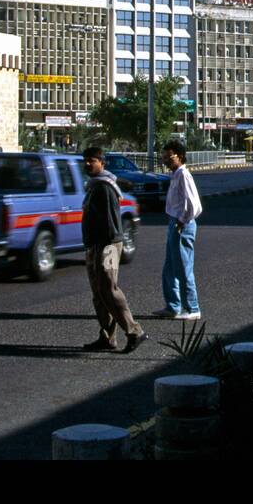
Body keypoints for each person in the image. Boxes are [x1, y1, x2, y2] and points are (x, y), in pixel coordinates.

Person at [81, 147, 146, 352]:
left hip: (107, 245)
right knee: (98, 293)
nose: (88, 164)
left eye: (92, 160)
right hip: (95, 245)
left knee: (108, 289)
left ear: (102, 163)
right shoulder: (94, 185)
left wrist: (106, 250)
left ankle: (135, 332)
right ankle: (107, 337)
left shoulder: (105, 187)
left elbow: (110, 223)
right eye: (86, 161)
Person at [157, 140, 202, 320]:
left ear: (180, 156)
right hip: (174, 221)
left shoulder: (184, 174)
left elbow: (194, 205)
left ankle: (192, 308)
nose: (166, 160)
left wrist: (182, 221)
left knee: (183, 268)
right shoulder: (175, 175)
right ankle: (173, 306)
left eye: (169, 156)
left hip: (182, 224)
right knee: (170, 267)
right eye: (164, 156)